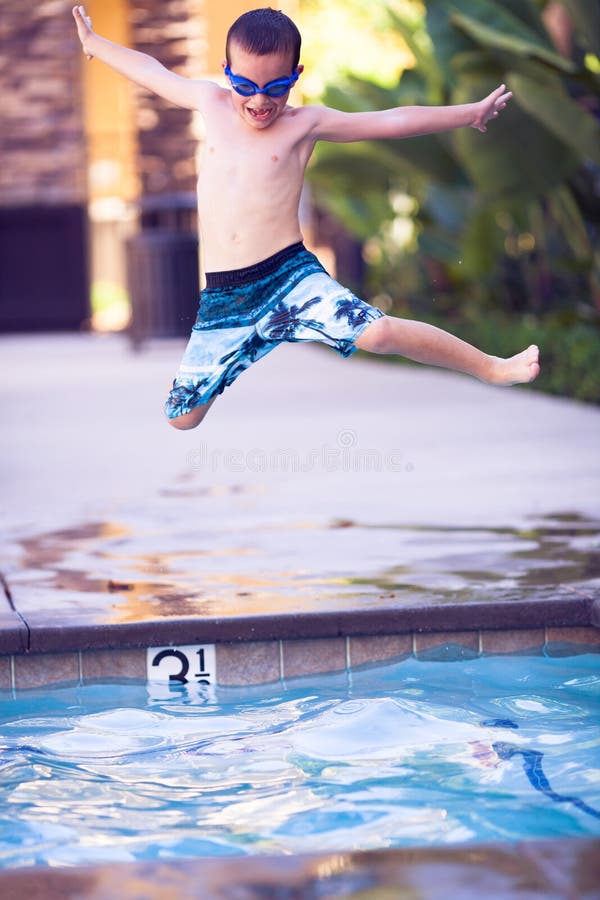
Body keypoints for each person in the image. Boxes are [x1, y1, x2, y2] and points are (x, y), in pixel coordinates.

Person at [72, 5, 540, 431]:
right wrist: (95, 43)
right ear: (226, 71)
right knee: (182, 417)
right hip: (225, 296)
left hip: (289, 277)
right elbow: (151, 71)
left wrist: (467, 115)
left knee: (378, 333)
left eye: (275, 88)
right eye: (245, 86)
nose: (259, 101)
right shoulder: (209, 103)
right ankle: (250, 342)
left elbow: (390, 120)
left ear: (295, 76)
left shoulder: (305, 124)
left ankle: (492, 367)